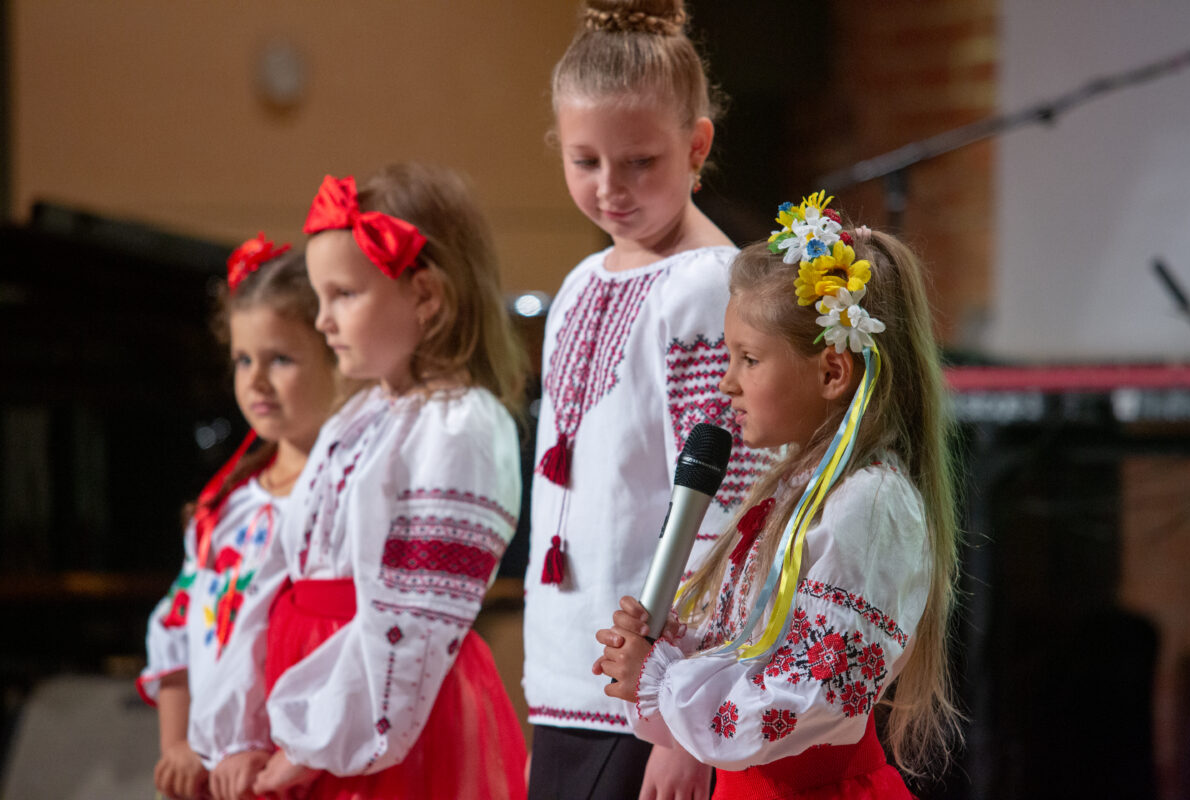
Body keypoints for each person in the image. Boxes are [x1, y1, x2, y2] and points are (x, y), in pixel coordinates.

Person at [595, 193, 963, 798]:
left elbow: (808, 694)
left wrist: (665, 681)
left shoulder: (869, 505)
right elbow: (756, 648)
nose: (727, 381)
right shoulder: (795, 484)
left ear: (831, 372)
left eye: (749, 359)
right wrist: (669, 646)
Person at [192, 163, 530, 800]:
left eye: (343, 295)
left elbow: (416, 613)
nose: (322, 321)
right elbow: (273, 575)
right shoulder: (359, 415)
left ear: (426, 297)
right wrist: (243, 728)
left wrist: (310, 743)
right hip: (305, 703)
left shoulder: (458, 427)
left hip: (385, 722)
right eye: (320, 299)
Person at [523, 1, 768, 797]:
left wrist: (688, 719)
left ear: (697, 146)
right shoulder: (580, 282)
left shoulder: (703, 286)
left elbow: (726, 511)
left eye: (639, 162)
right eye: (584, 161)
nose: (610, 189)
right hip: (566, 676)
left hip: (646, 693)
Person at [138, 234, 342, 800]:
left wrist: (280, 750)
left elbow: (336, 654)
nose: (254, 380)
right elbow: (178, 626)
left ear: (338, 356)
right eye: (243, 360)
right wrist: (179, 746)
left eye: (280, 359)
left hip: (299, 772)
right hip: (217, 777)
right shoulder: (228, 502)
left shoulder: (339, 498)